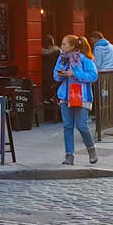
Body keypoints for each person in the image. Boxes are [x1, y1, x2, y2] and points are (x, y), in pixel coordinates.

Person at [55, 35, 99, 165]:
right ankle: (69, 156)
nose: (62, 47)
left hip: (81, 96)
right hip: (65, 96)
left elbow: (93, 76)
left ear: (73, 46)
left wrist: (74, 74)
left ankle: (91, 151)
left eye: (64, 44)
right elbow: (55, 76)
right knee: (67, 127)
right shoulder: (62, 59)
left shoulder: (84, 58)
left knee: (81, 125)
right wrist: (61, 73)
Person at [41, 34, 61, 123]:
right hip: (55, 75)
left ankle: (48, 99)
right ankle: (54, 99)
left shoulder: (42, 53)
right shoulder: (57, 51)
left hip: (46, 75)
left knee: (47, 88)